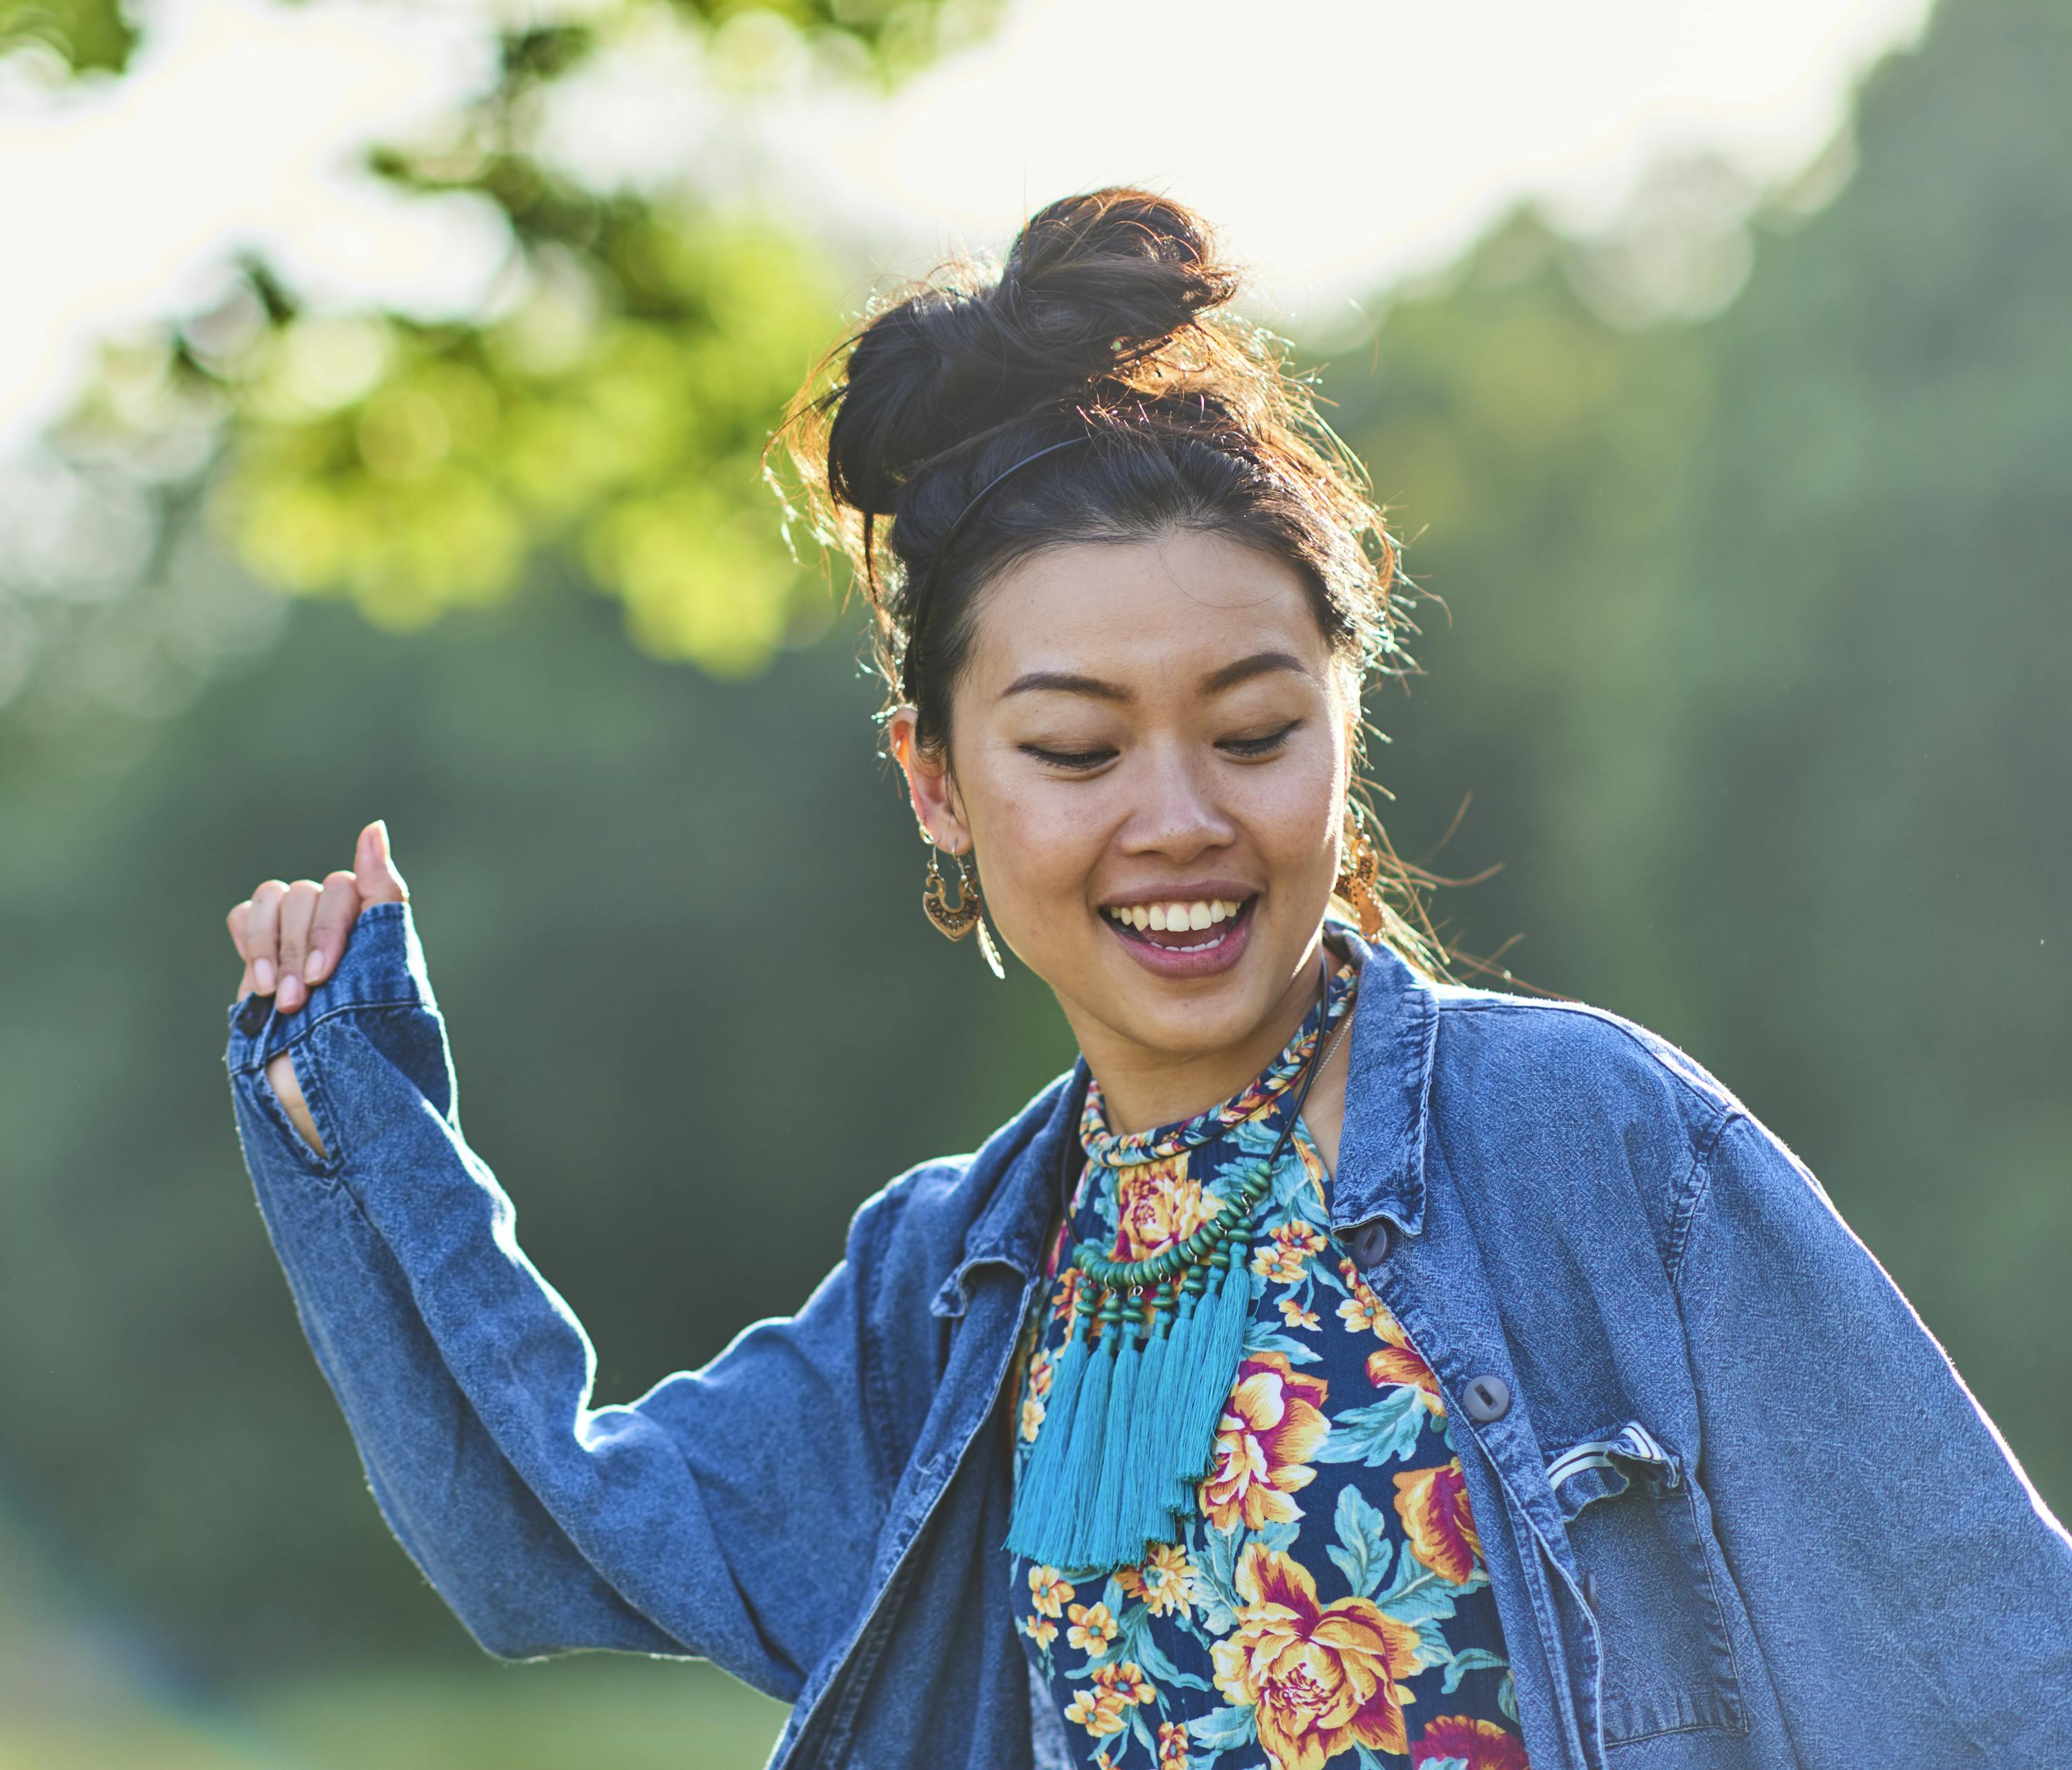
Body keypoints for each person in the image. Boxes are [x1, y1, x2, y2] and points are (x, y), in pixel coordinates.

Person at [216, 190, 2072, 1770]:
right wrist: (353, 1121)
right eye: (1078, 751)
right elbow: (555, 1537)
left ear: (1342, 729)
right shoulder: (947, 1289)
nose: (1177, 819)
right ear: (935, 785)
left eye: (1253, 730)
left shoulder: (1597, 1149)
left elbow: (1999, 1675)